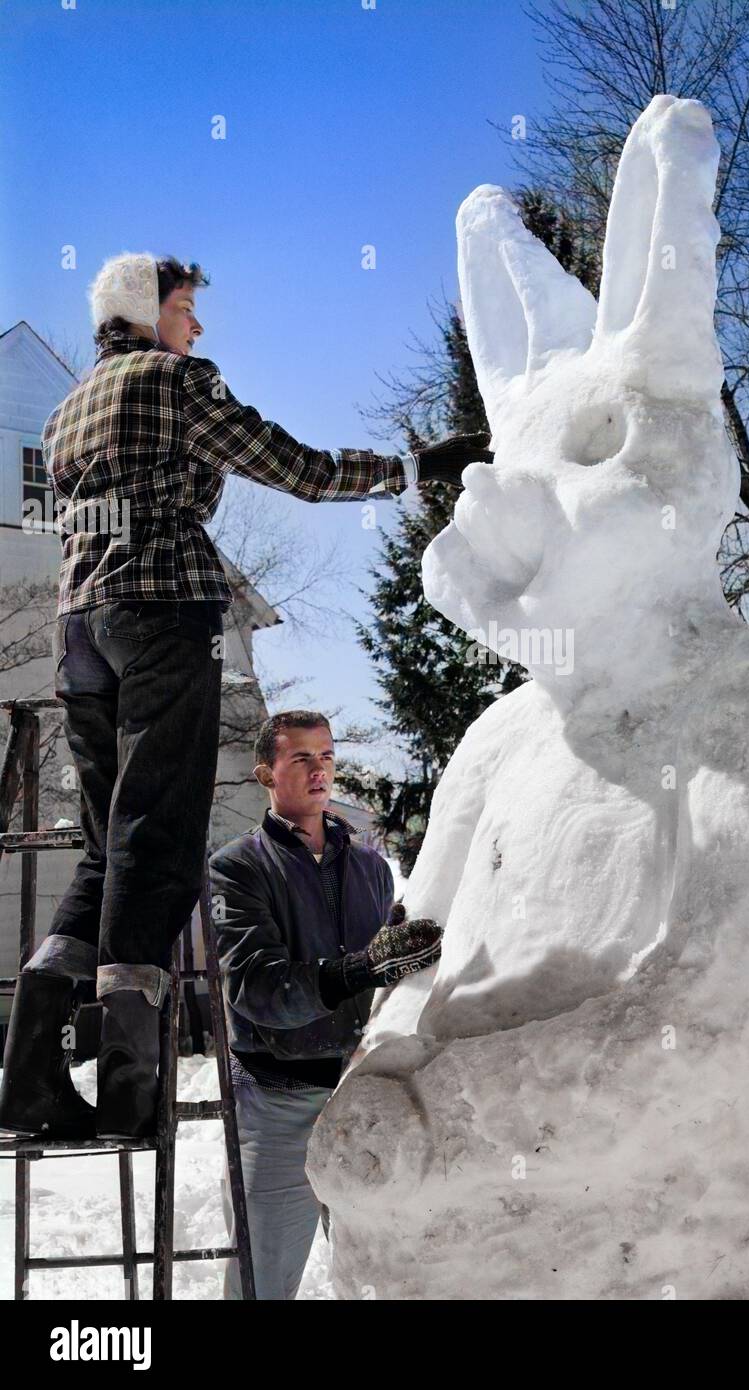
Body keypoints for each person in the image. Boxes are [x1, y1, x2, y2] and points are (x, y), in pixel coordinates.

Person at [0, 253, 485, 1142]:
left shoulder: (68, 409)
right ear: (148, 313)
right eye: (186, 308)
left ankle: (32, 1070)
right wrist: (408, 472)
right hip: (161, 614)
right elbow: (290, 464)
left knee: (109, 847)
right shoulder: (177, 382)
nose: (198, 326)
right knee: (162, 837)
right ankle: (128, 1082)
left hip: (82, 632)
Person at [211, 710, 441, 1300]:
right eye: (301, 759)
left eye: (327, 757)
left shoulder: (369, 867)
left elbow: (387, 977)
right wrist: (363, 967)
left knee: (381, 1271)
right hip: (277, 1097)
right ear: (266, 772)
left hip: (362, 1091)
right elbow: (258, 991)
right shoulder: (238, 867)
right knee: (261, 1281)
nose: (319, 771)